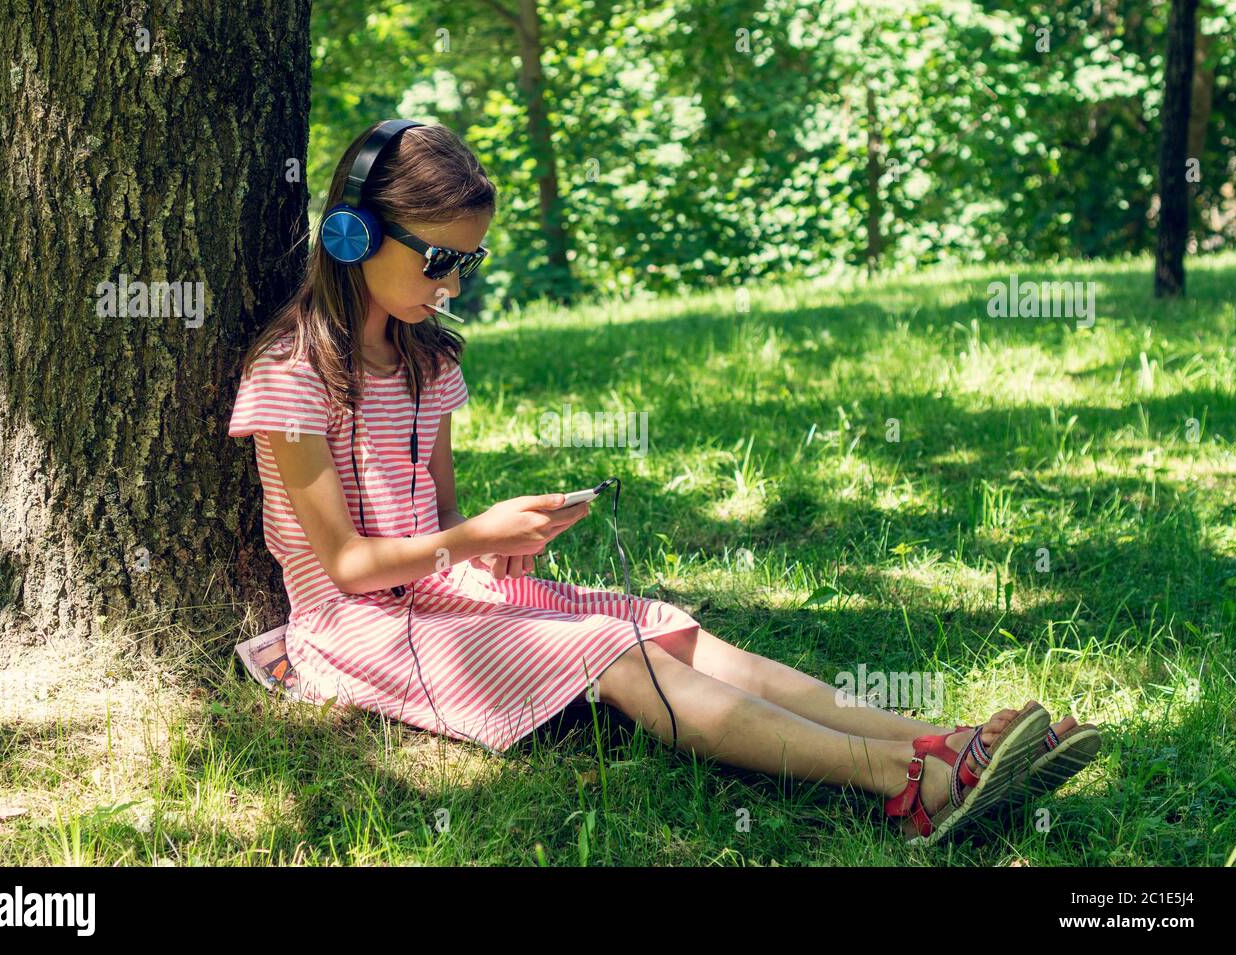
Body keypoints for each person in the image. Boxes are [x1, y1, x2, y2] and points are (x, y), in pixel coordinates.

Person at [227, 121, 1100, 844]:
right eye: (438, 262)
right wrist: (472, 539)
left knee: (657, 623)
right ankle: (909, 784)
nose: (453, 284)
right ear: (354, 234)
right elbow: (344, 566)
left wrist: (497, 547)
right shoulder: (291, 374)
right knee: (611, 652)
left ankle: (945, 742)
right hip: (358, 626)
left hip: (441, 594)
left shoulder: (429, 359)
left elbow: (445, 515)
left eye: (469, 263)